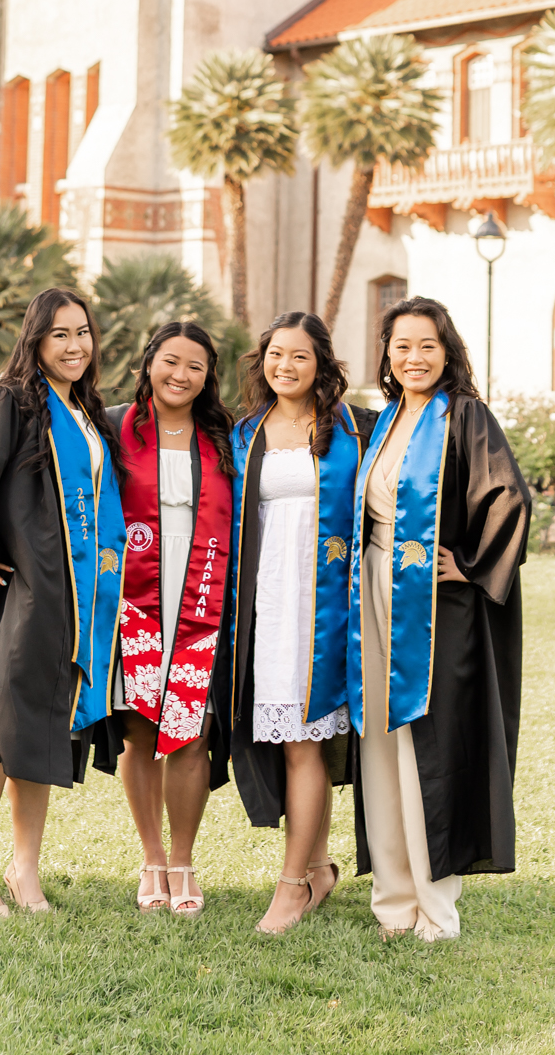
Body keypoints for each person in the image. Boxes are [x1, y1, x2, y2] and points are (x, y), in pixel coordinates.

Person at [0, 286, 126, 916]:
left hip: (66, 595)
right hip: (13, 590)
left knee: (41, 724)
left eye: (82, 332)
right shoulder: (12, 403)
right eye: (60, 334)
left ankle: (25, 869)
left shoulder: (86, 414)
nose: (74, 346)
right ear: (35, 340)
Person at [346, 294, 531, 941]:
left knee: (429, 743)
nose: (413, 356)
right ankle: (392, 902)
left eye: (426, 345)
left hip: (432, 605)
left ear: (446, 351)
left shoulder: (465, 417)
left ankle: (435, 908)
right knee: (378, 740)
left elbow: (508, 494)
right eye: (401, 346)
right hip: (371, 585)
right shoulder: (385, 419)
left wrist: (474, 565)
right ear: (387, 357)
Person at [227, 311, 376, 934]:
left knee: (304, 743)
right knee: (290, 740)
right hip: (266, 603)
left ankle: (291, 888)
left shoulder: (353, 429)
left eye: (300, 357)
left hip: (325, 607)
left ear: (323, 366)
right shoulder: (244, 433)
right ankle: (315, 867)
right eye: (276, 354)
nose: (285, 366)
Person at [96, 320, 236, 916]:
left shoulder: (225, 435)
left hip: (204, 589)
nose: (180, 375)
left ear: (209, 377)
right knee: (140, 730)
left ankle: (183, 860)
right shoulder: (111, 425)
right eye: (170, 361)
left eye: (195, 367)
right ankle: (151, 857)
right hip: (136, 593)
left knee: (191, 731)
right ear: (148, 361)